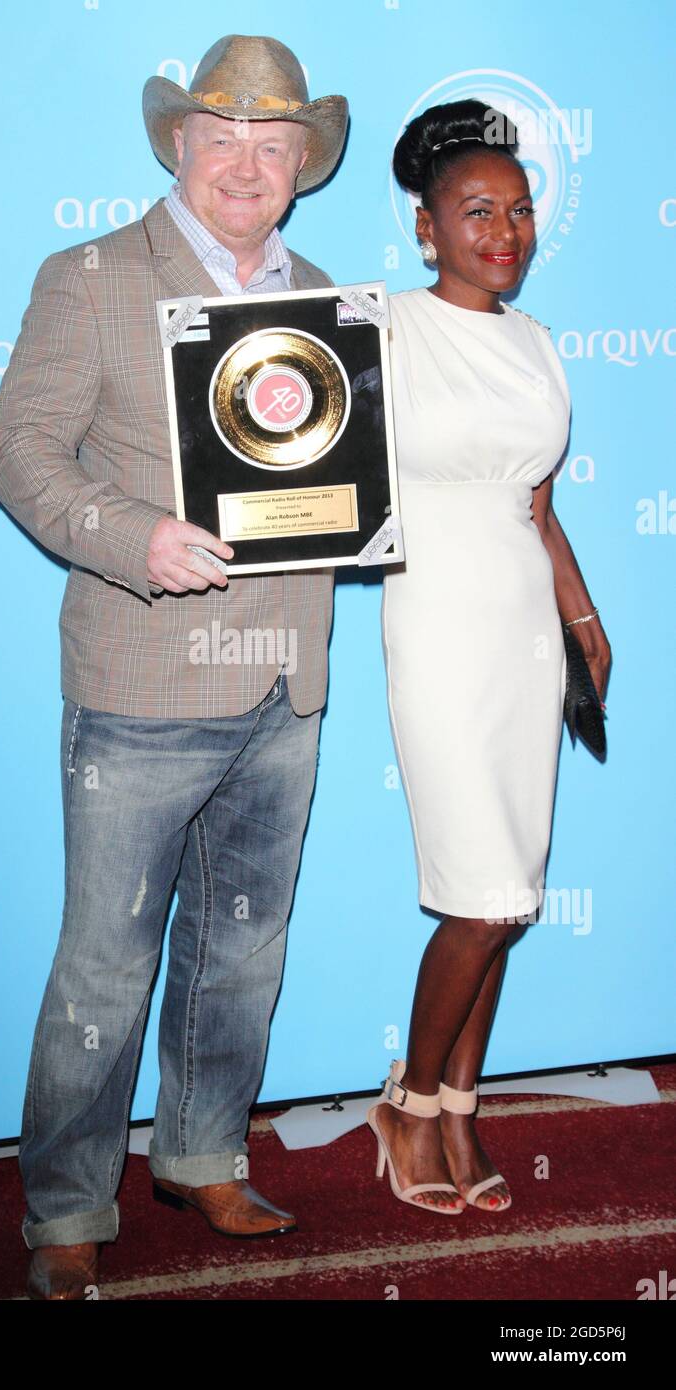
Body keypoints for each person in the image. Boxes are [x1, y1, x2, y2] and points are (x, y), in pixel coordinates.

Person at [0, 34, 348, 1298]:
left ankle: (200, 1152)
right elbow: (19, 453)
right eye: (222, 138)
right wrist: (132, 536)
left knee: (243, 951)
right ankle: (67, 1207)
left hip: (284, 678)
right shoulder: (87, 278)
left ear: (302, 164)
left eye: (272, 144)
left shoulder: (324, 294)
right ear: (177, 145)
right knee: (105, 961)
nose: (246, 165)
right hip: (140, 680)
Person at [367, 100, 611, 1214]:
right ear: (425, 227)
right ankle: (406, 1102)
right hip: (438, 618)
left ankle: (460, 1110)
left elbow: (537, 505)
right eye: (476, 212)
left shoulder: (535, 342)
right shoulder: (378, 328)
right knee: (473, 892)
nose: (503, 233)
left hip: (522, 627)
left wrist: (583, 619)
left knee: (507, 890)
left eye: (517, 213)